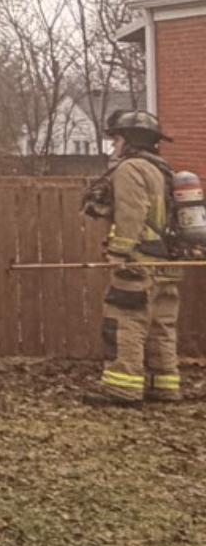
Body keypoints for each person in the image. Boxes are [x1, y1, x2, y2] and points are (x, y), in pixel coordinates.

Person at [81, 110, 181, 407]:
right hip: (166, 263)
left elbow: (131, 213)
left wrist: (120, 254)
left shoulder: (130, 169)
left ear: (130, 140)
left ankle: (122, 388)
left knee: (125, 322)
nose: (114, 145)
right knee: (162, 325)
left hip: (138, 261)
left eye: (117, 139)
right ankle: (164, 384)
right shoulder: (164, 170)